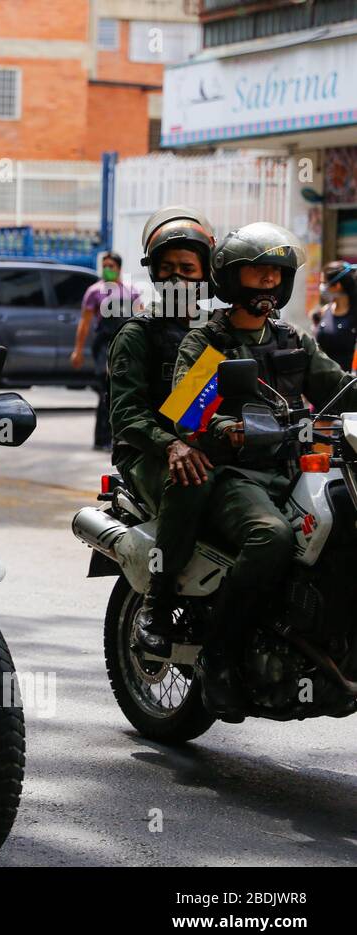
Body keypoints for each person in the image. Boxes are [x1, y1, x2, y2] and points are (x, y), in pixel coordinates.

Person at [172, 222, 357, 717]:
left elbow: (341, 387)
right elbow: (187, 418)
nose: (269, 283)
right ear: (231, 280)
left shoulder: (293, 339)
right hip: (237, 474)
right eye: (257, 273)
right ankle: (219, 656)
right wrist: (227, 428)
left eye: (276, 273)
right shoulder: (207, 344)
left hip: (298, 468)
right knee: (270, 537)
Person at [107, 207, 218, 652]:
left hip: (210, 443)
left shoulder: (217, 331)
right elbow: (127, 415)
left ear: (205, 275)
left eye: (187, 269)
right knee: (191, 480)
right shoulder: (139, 334)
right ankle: (158, 598)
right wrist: (170, 444)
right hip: (148, 453)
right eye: (168, 269)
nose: (177, 278)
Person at [71, 252, 143, 450]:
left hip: (126, 346)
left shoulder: (131, 291)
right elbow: (84, 323)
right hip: (104, 346)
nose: (107, 270)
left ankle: (121, 436)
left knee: (125, 391)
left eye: (111, 266)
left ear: (119, 268)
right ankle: (102, 438)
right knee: (106, 389)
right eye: (105, 266)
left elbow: (141, 319)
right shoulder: (94, 292)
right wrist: (77, 350)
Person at [313, 260, 356, 370]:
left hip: (346, 382)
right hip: (321, 378)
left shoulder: (354, 315)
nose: (321, 287)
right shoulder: (324, 311)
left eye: (324, 282)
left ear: (337, 286)